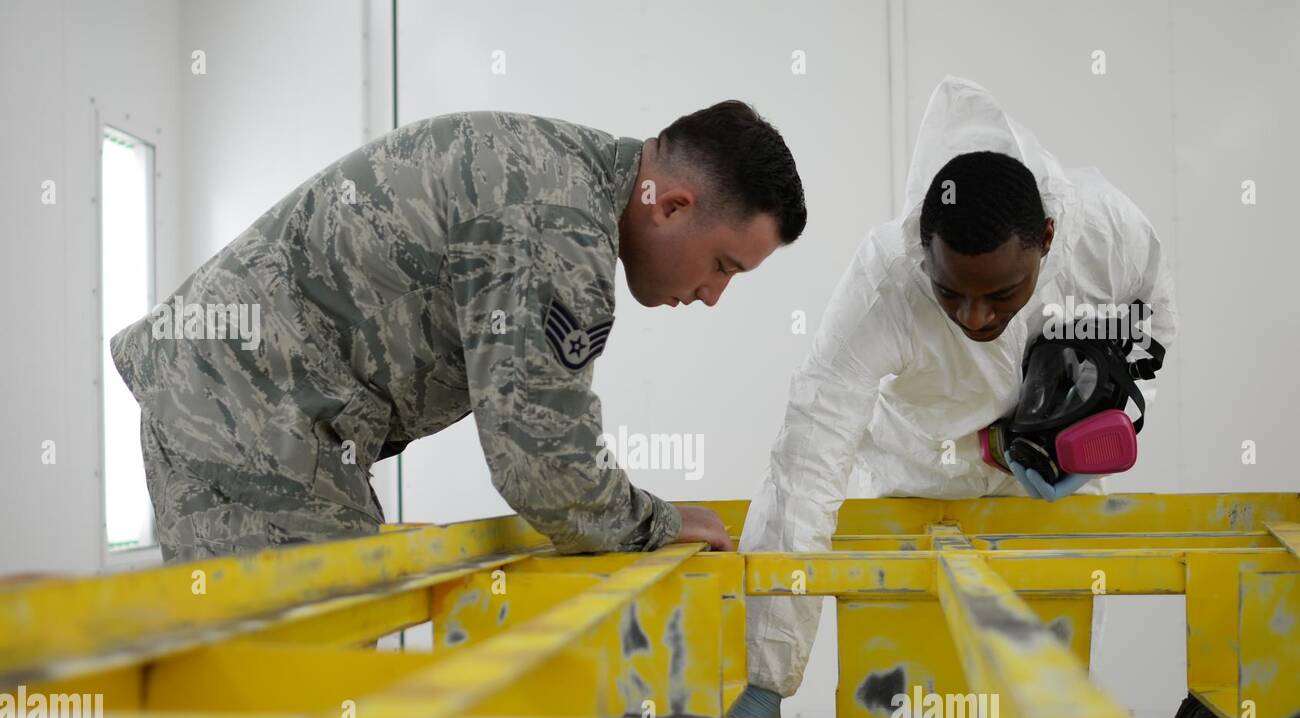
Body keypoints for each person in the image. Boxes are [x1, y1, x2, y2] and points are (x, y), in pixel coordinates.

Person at [111, 103, 806, 562]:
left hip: (237, 399)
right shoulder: (558, 221)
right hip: (247, 414)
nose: (713, 295)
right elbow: (544, 467)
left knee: (294, 695)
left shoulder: (564, 174)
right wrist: (657, 520)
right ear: (674, 206)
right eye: (723, 266)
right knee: (304, 697)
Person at [730, 77, 1176, 718]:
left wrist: (1110, 406)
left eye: (1000, 294)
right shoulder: (884, 284)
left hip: (1045, 499)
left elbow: (1154, 314)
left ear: (1047, 241)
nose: (973, 316)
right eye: (950, 293)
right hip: (916, 492)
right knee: (914, 714)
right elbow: (807, 460)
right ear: (923, 254)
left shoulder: (1103, 234)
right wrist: (765, 676)